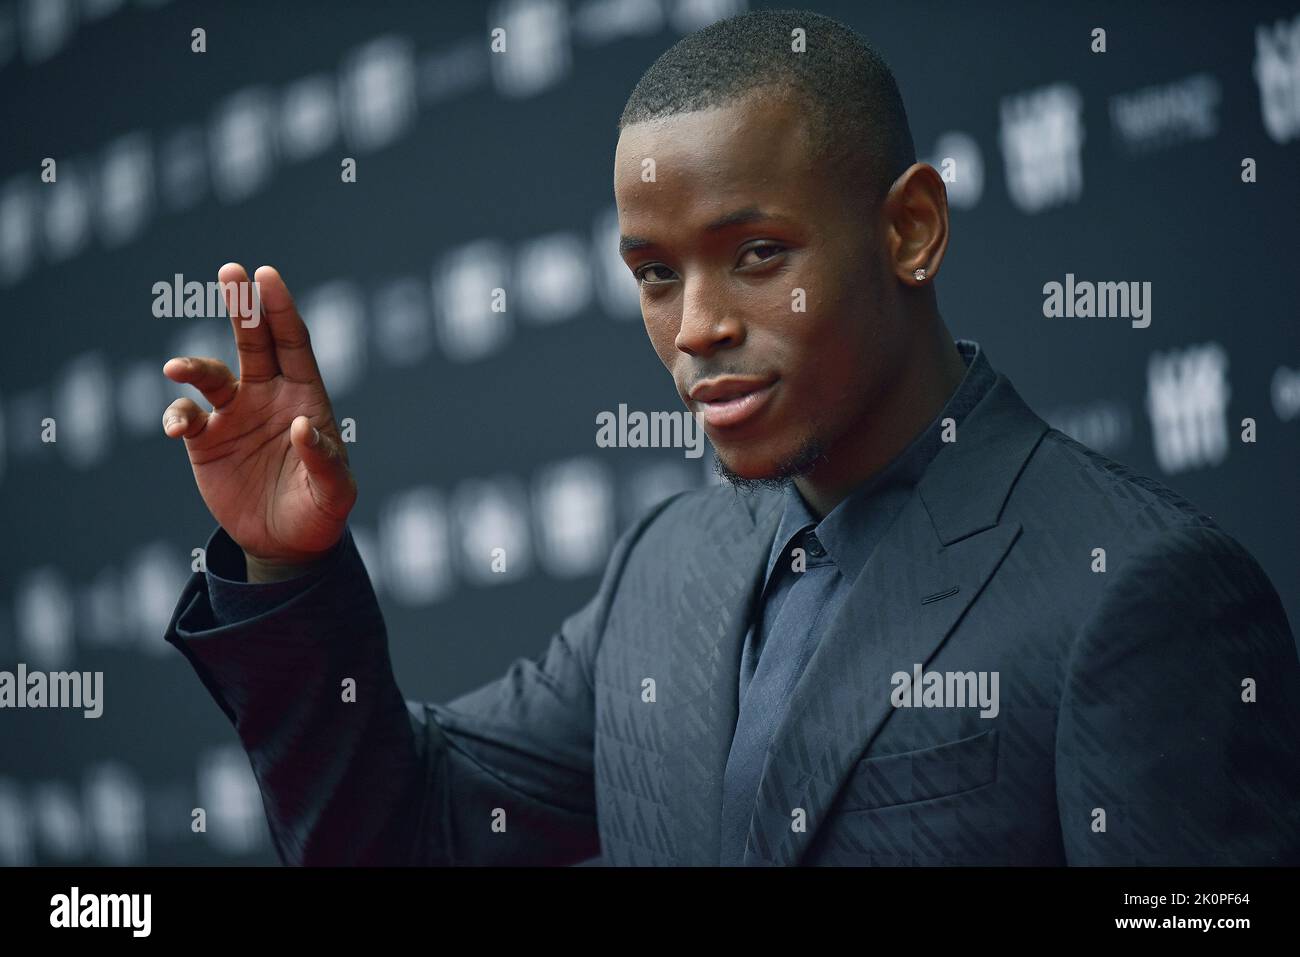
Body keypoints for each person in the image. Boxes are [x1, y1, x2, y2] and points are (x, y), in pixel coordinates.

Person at [160, 9, 1300, 866]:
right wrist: (288, 562)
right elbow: (400, 833)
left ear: (909, 229)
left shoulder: (1138, 593)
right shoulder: (667, 566)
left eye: (757, 254)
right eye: (655, 275)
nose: (696, 327)